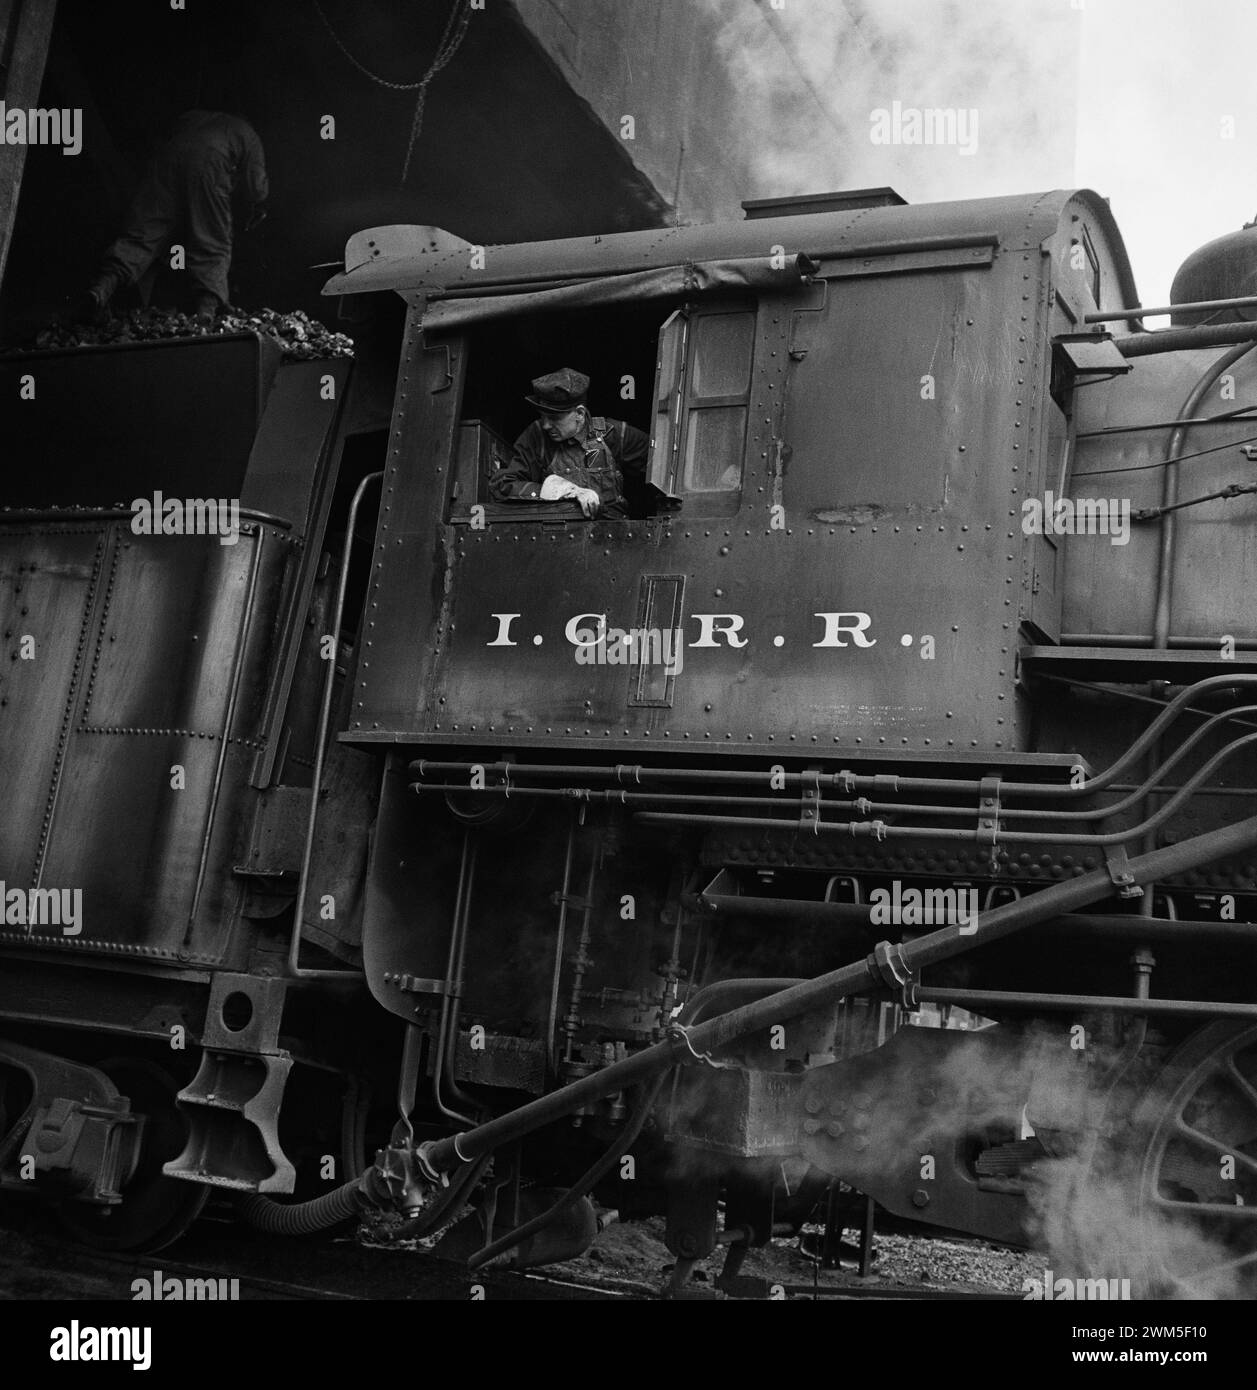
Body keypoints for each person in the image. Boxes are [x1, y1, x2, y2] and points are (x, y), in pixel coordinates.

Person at [78, 111, 268, 324]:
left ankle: (100, 289)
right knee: (212, 239)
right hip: (210, 163)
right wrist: (256, 205)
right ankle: (207, 311)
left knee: (142, 234)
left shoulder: (195, 118)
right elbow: (255, 185)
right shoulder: (249, 134)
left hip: (166, 161)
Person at [489, 368, 649, 519]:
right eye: (542, 416)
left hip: (613, 534)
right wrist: (558, 490)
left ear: (579, 413)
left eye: (553, 418)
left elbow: (662, 461)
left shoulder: (611, 433)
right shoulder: (537, 436)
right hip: (561, 536)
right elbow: (502, 484)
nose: (545, 425)